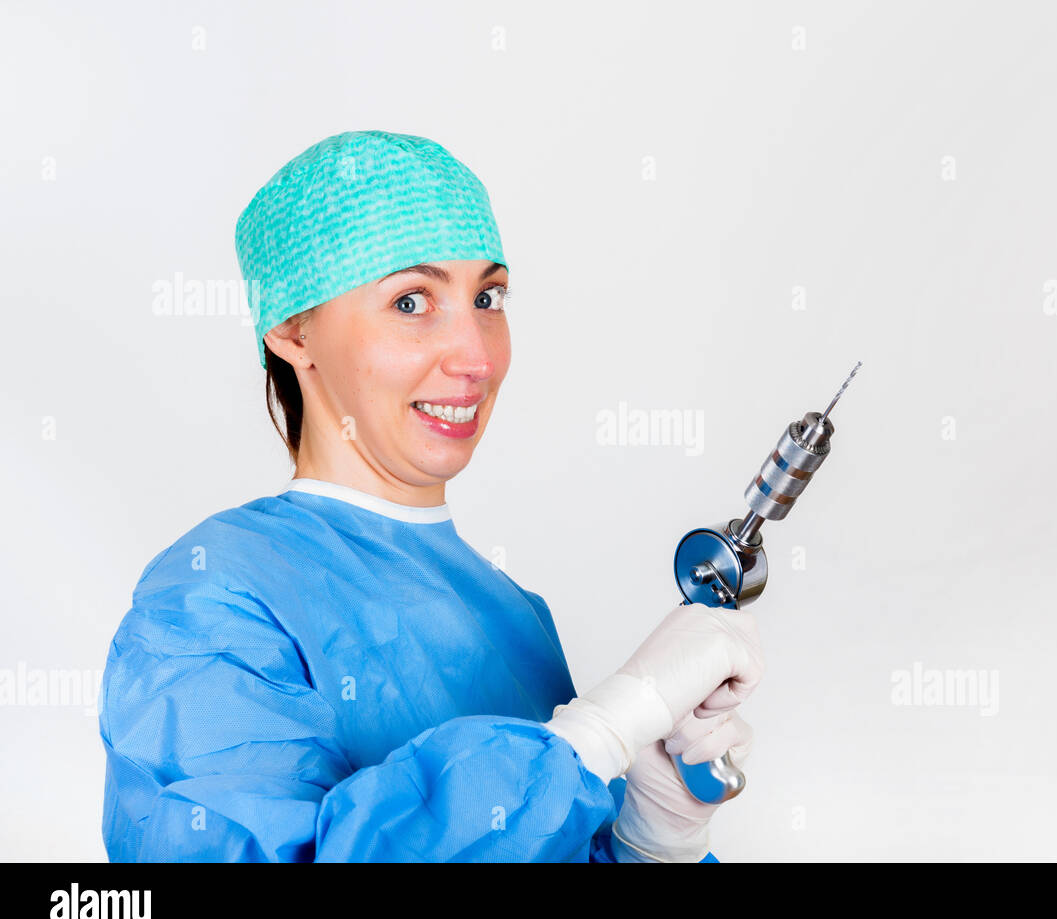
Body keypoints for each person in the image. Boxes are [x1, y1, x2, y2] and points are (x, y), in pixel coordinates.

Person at [98, 130, 764, 862]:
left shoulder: (513, 615)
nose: (476, 356)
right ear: (292, 328)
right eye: (411, 300)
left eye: (489, 296)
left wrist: (649, 839)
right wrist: (597, 730)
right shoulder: (207, 598)